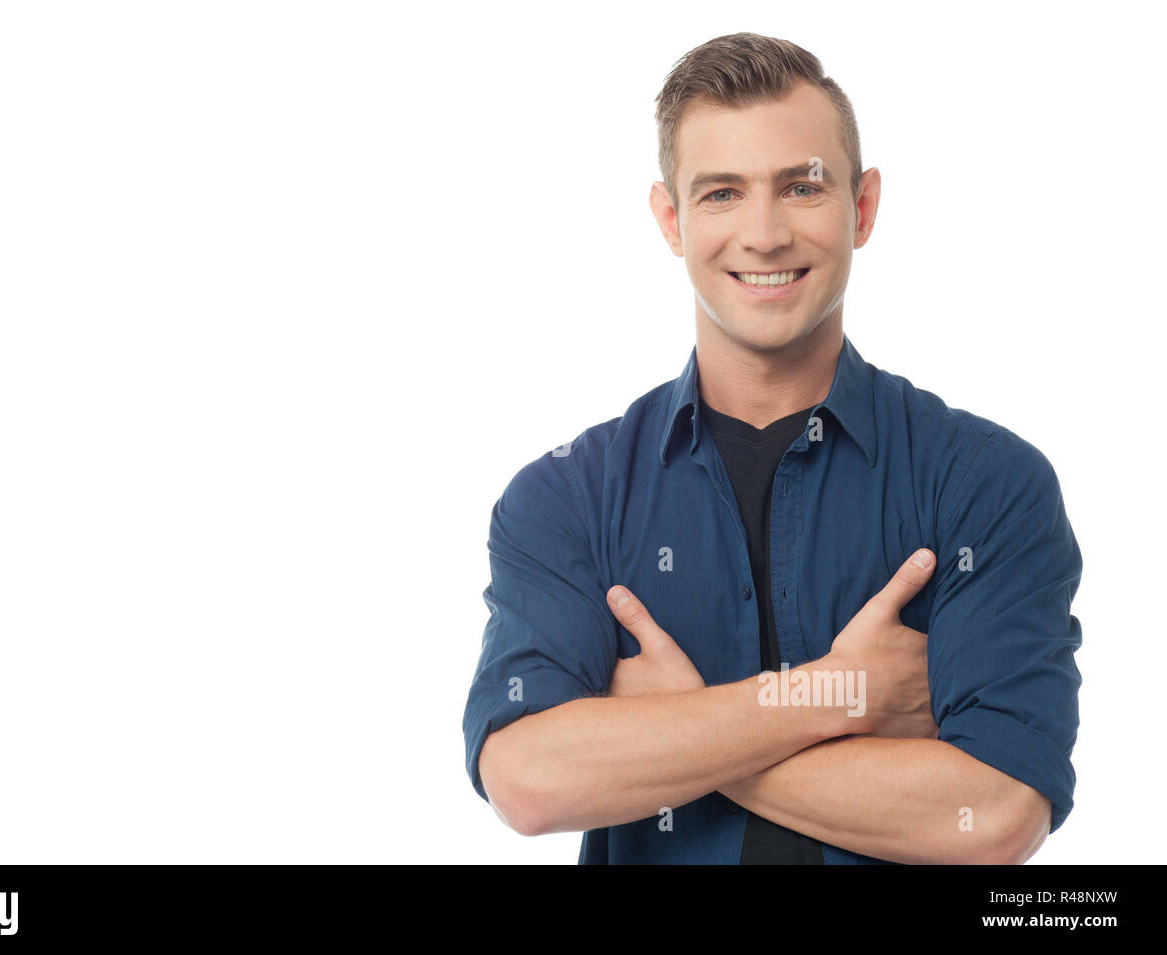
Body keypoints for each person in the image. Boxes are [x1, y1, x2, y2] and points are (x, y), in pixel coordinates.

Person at [461, 33, 1082, 864]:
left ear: (862, 208)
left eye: (801, 187)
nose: (764, 233)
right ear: (670, 221)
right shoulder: (565, 498)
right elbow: (530, 780)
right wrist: (835, 695)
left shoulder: (987, 484)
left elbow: (996, 813)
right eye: (721, 193)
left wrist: (678, 733)